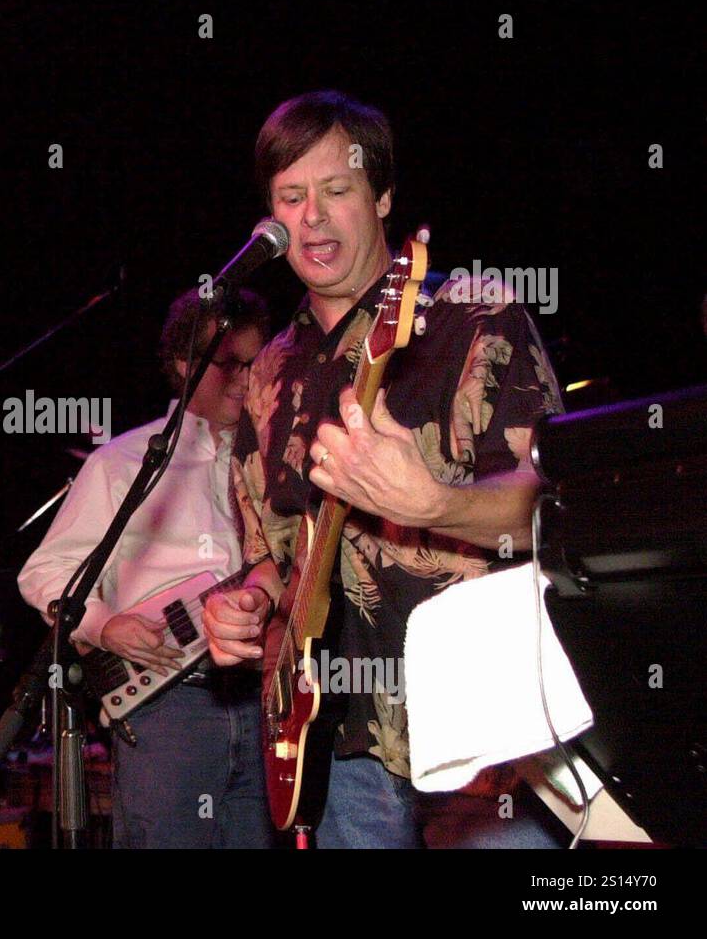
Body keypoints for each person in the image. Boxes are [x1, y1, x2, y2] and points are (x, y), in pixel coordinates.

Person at [202, 90, 567, 848]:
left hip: (483, 725)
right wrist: (243, 604)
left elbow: (553, 499)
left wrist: (438, 502)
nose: (313, 217)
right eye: (291, 198)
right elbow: (273, 555)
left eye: (336, 191)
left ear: (384, 198)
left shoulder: (475, 319)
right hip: (334, 737)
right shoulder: (269, 371)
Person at [18, 287, 277, 849]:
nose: (244, 378)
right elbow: (46, 571)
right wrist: (105, 625)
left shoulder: (278, 461)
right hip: (169, 705)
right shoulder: (123, 463)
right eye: (228, 363)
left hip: (264, 698)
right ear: (185, 366)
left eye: (256, 363)